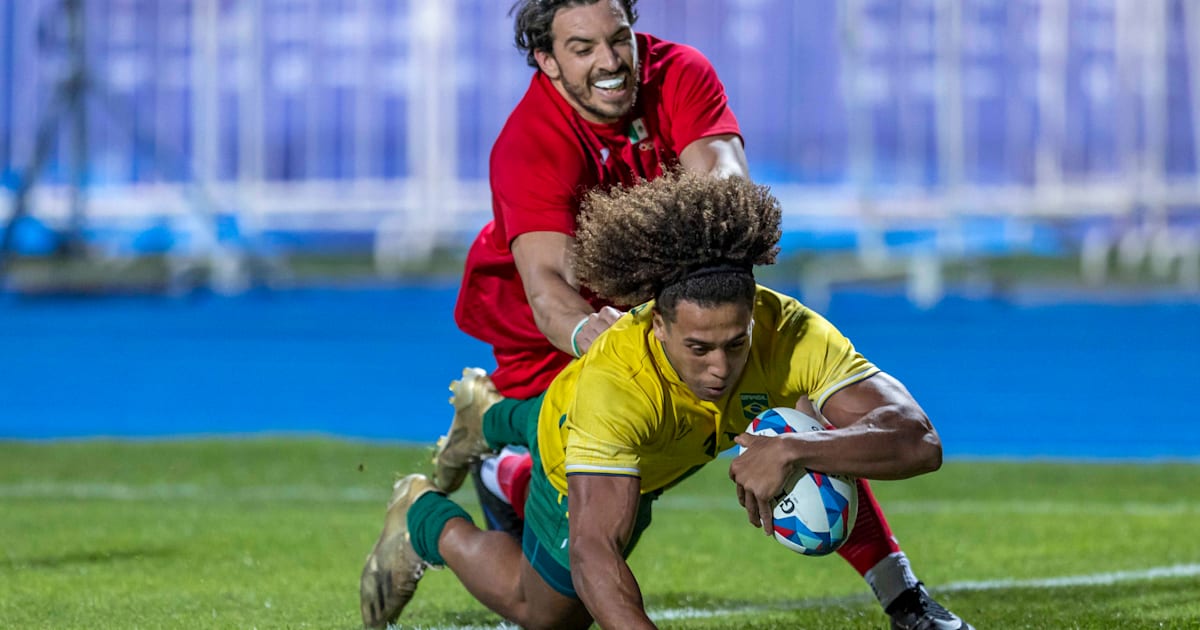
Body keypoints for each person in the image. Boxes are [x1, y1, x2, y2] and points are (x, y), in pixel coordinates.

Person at [366, 0, 970, 627]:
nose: (609, 62)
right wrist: (589, 332)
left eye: (618, 38)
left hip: (679, 294)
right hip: (546, 330)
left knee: (802, 407)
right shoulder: (528, 142)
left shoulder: (680, 74)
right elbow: (549, 289)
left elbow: (726, 182)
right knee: (554, 597)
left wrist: (716, 265)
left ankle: (903, 596)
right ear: (546, 61)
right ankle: (459, 486)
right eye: (582, 49)